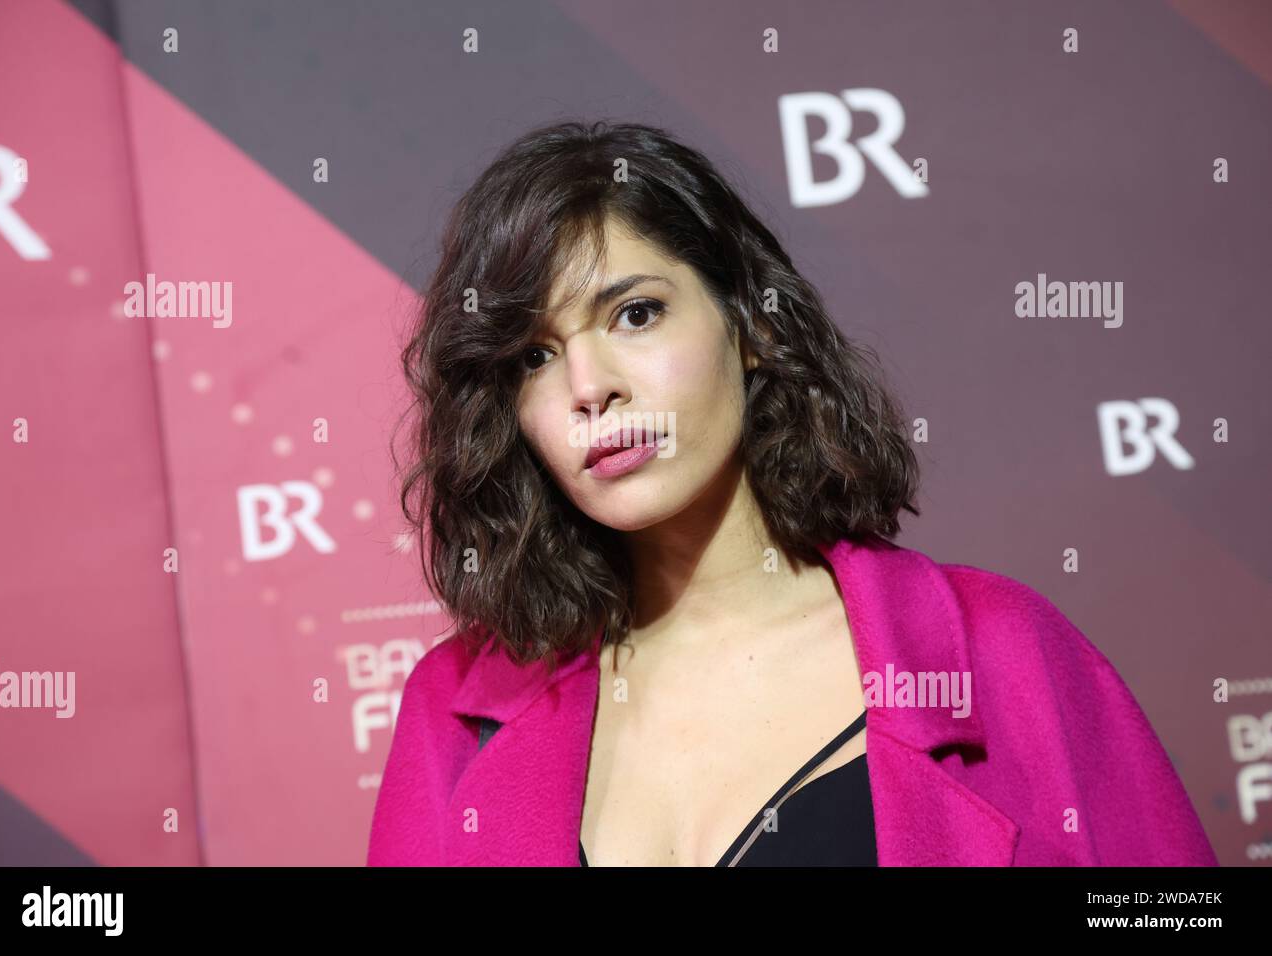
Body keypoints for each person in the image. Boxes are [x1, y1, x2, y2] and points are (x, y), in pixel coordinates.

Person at [368, 120, 1218, 867]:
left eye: (634, 315)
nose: (590, 388)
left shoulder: (1000, 652)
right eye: (535, 356)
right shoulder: (453, 715)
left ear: (751, 327)